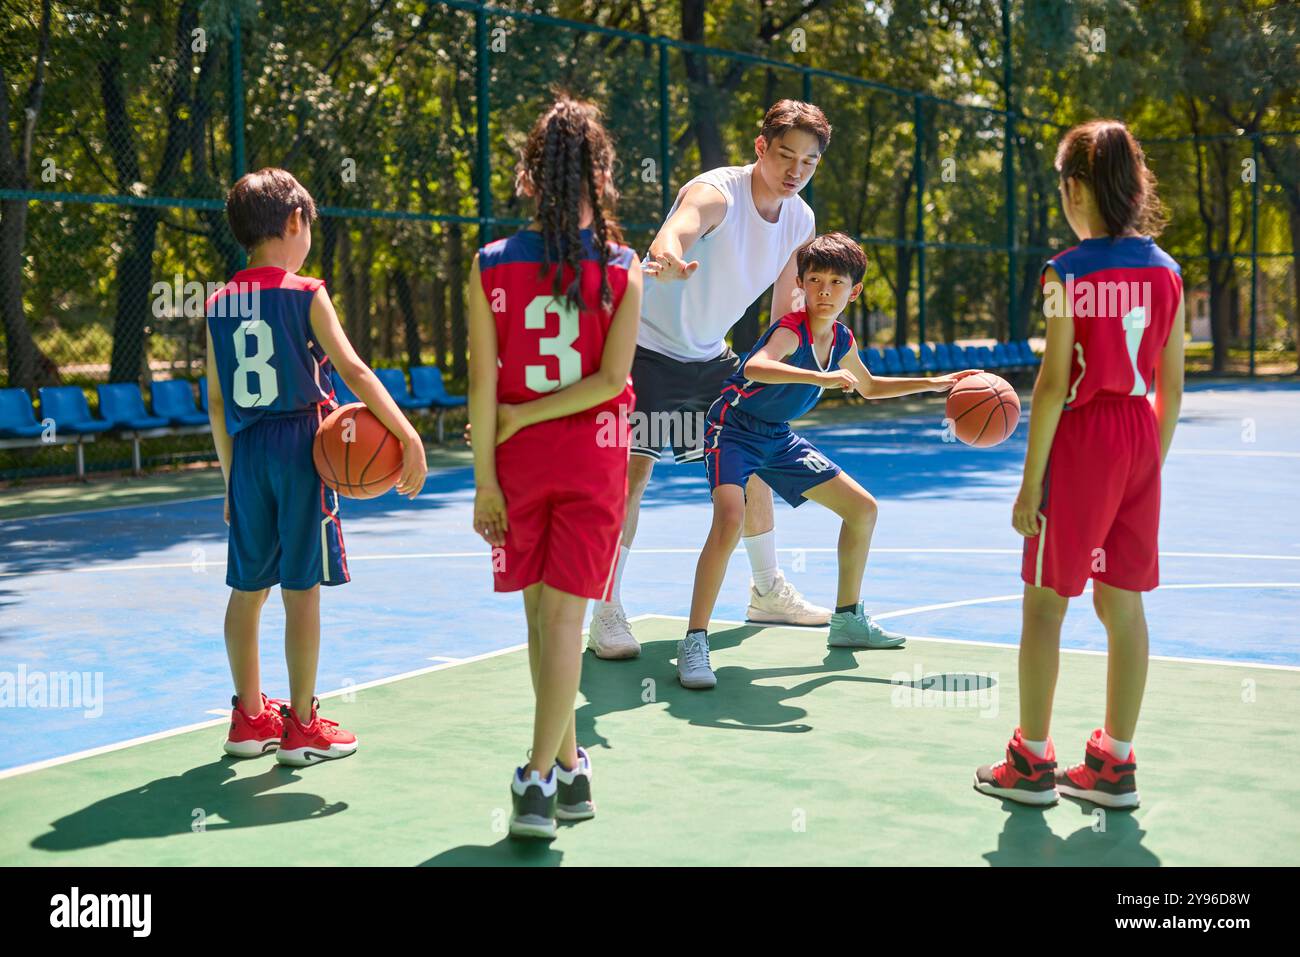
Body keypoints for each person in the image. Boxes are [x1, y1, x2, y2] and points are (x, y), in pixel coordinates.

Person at [974, 120, 1184, 808]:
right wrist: (1149, 462)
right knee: (1123, 604)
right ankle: (1115, 764)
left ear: (1073, 187)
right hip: (1141, 434)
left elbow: (1052, 381)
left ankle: (1032, 761)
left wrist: (1030, 482)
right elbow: (1172, 385)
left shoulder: (1067, 270)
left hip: (1085, 436)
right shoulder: (1167, 271)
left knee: (1044, 604)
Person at [587, 99, 835, 660]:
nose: (795, 170)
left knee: (750, 460)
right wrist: (669, 255)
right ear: (760, 149)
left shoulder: (801, 218)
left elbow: (784, 305)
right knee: (632, 477)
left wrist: (785, 362)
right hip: (643, 349)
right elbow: (677, 231)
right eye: (784, 155)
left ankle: (768, 589)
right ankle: (606, 610)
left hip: (711, 357)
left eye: (808, 162)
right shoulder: (717, 192)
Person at [679, 232, 980, 688]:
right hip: (733, 431)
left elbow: (871, 386)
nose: (823, 290)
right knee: (729, 519)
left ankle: (847, 621)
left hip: (778, 438)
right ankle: (695, 641)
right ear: (799, 283)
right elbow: (757, 367)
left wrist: (935, 383)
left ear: (853, 291)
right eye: (814, 279)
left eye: (835, 282)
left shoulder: (840, 338)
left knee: (863, 509)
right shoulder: (790, 329)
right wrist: (818, 375)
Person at [207, 167, 427, 766]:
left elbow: (219, 402)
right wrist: (406, 434)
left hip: (249, 452)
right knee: (301, 591)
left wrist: (230, 480)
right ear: (295, 222)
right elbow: (353, 370)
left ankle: (250, 719)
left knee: (247, 587)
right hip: (303, 448)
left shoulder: (220, 303)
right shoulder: (306, 293)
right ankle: (302, 726)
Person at [467, 97, 642, 839]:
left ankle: (547, 772)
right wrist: (531, 416)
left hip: (517, 466)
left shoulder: (488, 264)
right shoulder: (624, 270)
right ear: (600, 178)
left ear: (530, 178)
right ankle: (556, 772)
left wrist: (484, 476)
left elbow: (483, 384)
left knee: (542, 622)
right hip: (593, 459)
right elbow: (609, 382)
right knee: (564, 621)